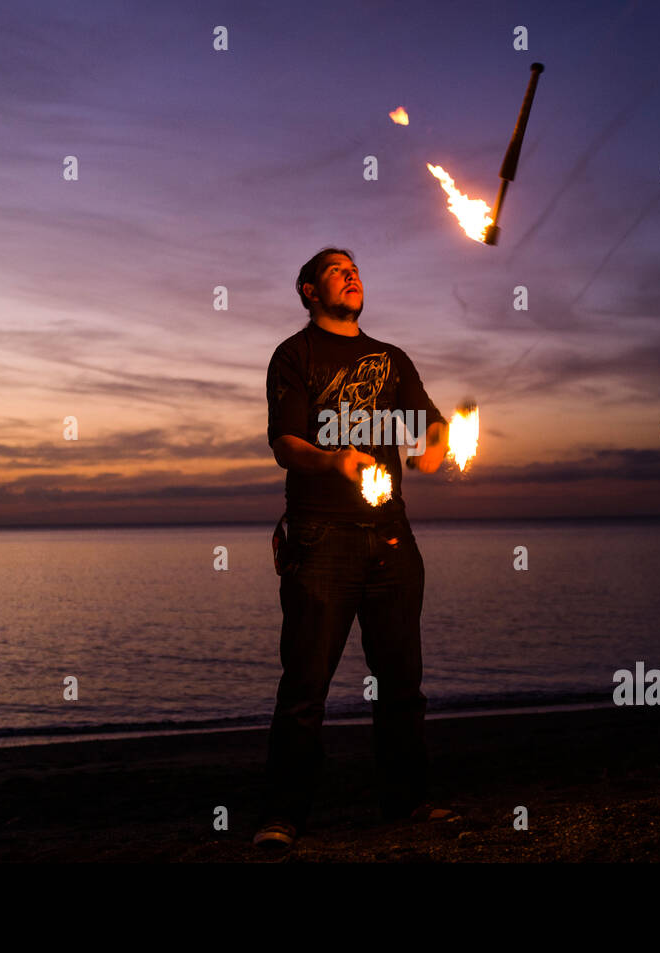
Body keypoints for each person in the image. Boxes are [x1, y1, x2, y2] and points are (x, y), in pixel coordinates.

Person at [254, 248, 460, 849]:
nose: (352, 274)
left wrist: (438, 443)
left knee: (401, 683)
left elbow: (429, 428)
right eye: (336, 269)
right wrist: (335, 459)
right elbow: (286, 444)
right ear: (308, 290)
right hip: (321, 539)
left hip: (392, 538)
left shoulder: (391, 359)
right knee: (304, 689)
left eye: (356, 268)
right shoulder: (295, 356)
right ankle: (283, 815)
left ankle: (407, 803)